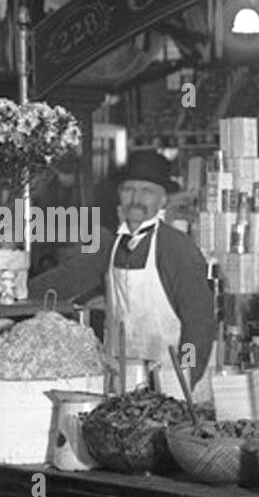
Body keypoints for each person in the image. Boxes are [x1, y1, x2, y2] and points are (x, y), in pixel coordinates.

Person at [29, 150, 215, 399]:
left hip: (173, 386)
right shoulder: (110, 245)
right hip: (123, 382)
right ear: (119, 195)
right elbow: (67, 279)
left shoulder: (177, 249)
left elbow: (198, 325)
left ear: (163, 200)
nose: (136, 199)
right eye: (129, 190)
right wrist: (14, 287)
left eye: (147, 191)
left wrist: (187, 372)